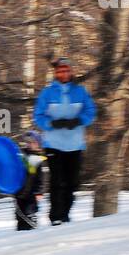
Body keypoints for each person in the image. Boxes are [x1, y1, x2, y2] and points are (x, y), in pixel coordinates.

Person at [33, 57, 97, 225]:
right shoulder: (47, 93)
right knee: (57, 180)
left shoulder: (80, 91)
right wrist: (51, 123)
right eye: (60, 71)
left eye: (66, 70)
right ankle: (55, 217)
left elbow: (91, 112)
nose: (63, 73)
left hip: (75, 144)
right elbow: (38, 117)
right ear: (55, 73)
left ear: (71, 71)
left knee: (72, 182)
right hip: (53, 144)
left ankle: (66, 214)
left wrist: (79, 120)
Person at [14, 131, 46, 230]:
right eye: (28, 142)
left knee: (30, 212)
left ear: (38, 144)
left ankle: (32, 229)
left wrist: (39, 191)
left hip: (32, 194)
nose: (30, 144)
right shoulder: (21, 156)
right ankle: (20, 230)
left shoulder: (38, 159)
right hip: (20, 192)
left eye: (33, 142)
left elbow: (40, 178)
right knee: (19, 214)